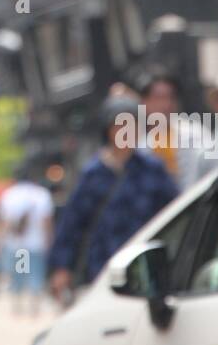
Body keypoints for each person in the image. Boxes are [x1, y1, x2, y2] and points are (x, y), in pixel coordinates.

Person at [48, 95, 177, 305]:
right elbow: (73, 224)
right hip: (102, 267)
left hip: (145, 265)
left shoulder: (153, 170)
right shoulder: (93, 174)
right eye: (120, 125)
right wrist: (62, 268)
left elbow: (173, 212)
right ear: (108, 130)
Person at [0, 167, 54, 315]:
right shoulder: (41, 194)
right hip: (36, 243)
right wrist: (49, 240)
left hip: (16, 244)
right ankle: (34, 308)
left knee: (18, 274)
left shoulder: (10, 194)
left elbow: (5, 221)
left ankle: (18, 307)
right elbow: (46, 221)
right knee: (35, 275)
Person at [134, 66, 184, 180]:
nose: (166, 104)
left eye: (170, 97)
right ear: (143, 102)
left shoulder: (196, 135)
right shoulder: (136, 145)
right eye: (159, 98)